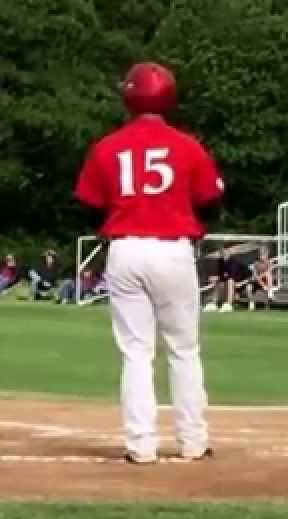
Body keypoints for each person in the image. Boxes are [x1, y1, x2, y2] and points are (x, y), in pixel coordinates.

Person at [75, 60, 224, 464]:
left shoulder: (106, 146)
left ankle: (141, 445)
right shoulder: (188, 145)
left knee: (137, 352)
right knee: (184, 348)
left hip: (125, 249)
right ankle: (193, 441)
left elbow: (90, 206)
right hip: (173, 249)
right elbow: (210, 201)